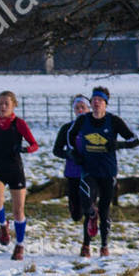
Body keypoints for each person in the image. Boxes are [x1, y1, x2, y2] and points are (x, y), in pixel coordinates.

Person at [66, 86, 139, 258]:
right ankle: (86, 244)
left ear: (106, 104)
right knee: (87, 204)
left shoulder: (114, 121)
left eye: (100, 100)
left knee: (105, 210)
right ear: (91, 103)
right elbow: (70, 136)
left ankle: (104, 246)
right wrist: (74, 154)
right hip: (88, 170)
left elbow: (134, 140)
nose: (96, 103)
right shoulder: (83, 120)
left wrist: (117, 145)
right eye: (94, 100)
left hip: (108, 171)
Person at [0, 90, 39, 260]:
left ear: (13, 106)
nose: (3, 107)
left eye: (6, 104)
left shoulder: (19, 123)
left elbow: (35, 144)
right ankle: (3, 225)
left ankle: (20, 245)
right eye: (0, 104)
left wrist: (25, 149)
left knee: (18, 211)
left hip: (15, 170)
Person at [52, 95, 91, 224]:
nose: (80, 110)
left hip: (92, 171)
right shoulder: (66, 128)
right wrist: (69, 154)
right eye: (77, 108)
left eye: (83, 107)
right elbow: (56, 150)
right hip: (73, 171)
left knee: (90, 203)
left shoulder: (95, 127)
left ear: (89, 109)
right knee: (76, 212)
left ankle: (91, 222)